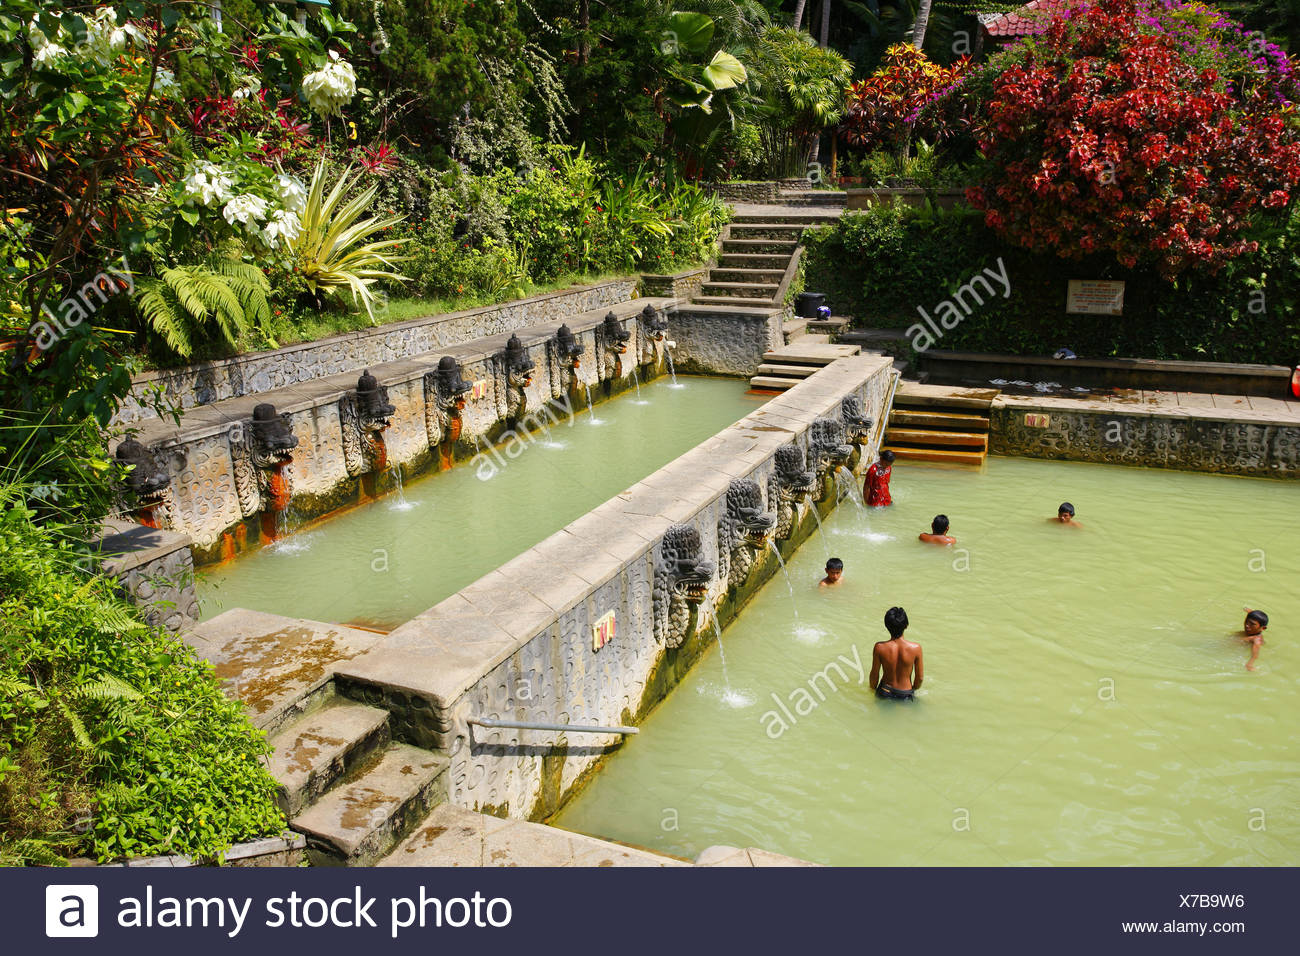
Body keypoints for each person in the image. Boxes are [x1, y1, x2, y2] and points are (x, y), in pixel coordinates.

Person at [870, 606, 924, 701]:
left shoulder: (879, 647)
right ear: (906, 625)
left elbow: (874, 675)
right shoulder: (916, 648)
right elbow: (919, 678)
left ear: (887, 626)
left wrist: (873, 691)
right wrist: (913, 690)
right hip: (906, 694)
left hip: (885, 692)